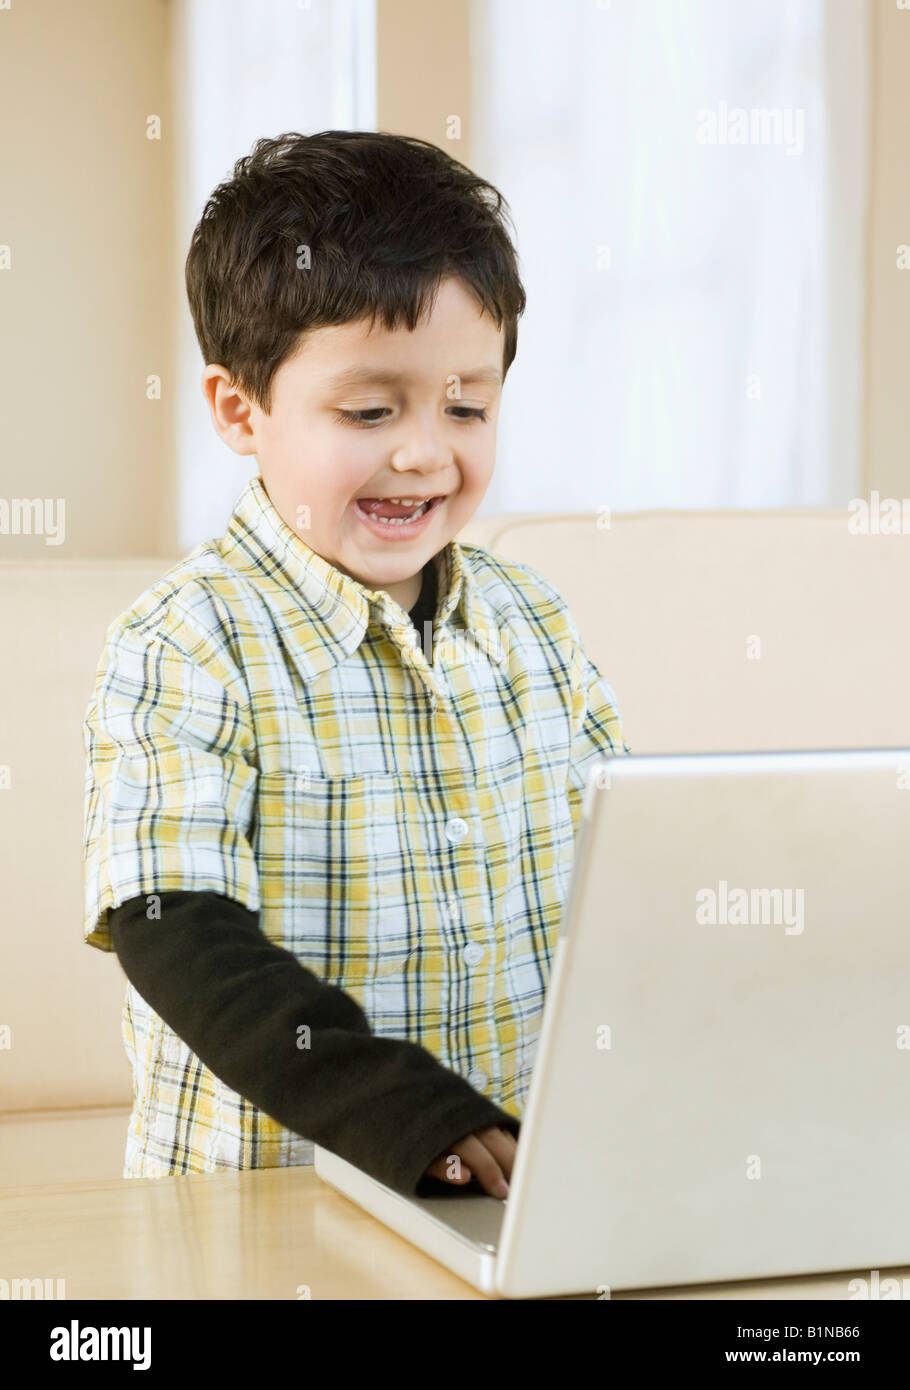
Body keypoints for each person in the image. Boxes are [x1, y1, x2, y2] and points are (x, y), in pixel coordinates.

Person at [81, 130, 627, 1200]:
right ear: (242, 410)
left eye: (466, 405)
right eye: (370, 411)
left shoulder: (534, 623)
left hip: (514, 1200)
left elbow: (625, 872)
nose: (425, 451)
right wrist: (402, 1110)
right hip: (261, 1208)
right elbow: (172, 928)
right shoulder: (187, 640)